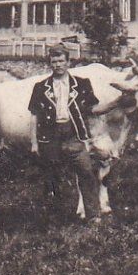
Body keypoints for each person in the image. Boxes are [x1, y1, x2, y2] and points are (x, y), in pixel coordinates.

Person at [28, 44, 105, 224]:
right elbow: (34, 116)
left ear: (68, 62)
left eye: (61, 61)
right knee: (52, 177)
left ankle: (93, 216)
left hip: (74, 136)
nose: (58, 65)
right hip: (50, 137)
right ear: (50, 64)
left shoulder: (82, 84)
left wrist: (117, 102)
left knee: (86, 172)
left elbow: (93, 109)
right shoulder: (41, 87)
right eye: (54, 61)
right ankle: (56, 218)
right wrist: (34, 142)